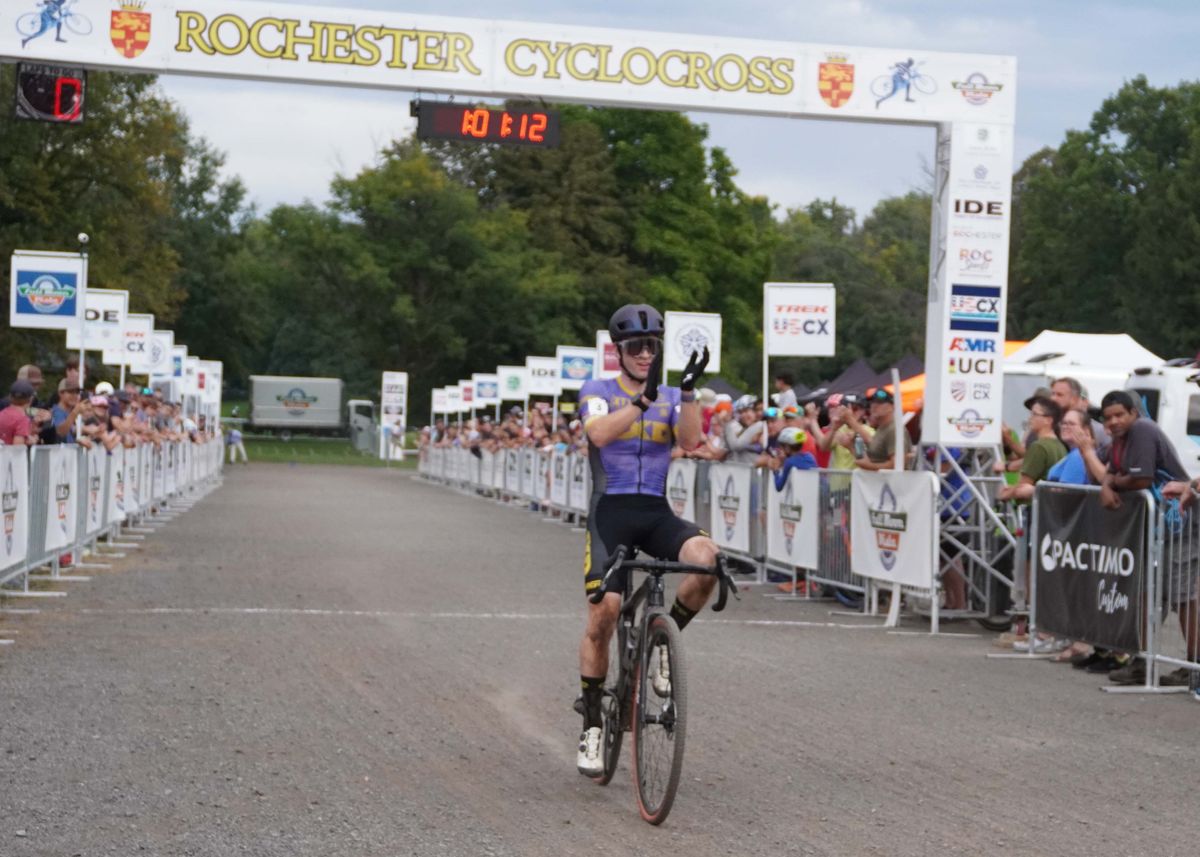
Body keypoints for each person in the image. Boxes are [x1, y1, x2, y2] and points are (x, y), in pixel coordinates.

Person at [573, 303, 720, 777]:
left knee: (707, 560)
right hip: (610, 512)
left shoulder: (673, 394)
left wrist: (690, 392)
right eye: (634, 346)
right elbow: (597, 435)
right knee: (606, 612)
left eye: (650, 345)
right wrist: (640, 402)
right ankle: (593, 723)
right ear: (618, 352)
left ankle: (662, 643)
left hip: (655, 510)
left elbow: (692, 440)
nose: (642, 352)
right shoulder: (597, 390)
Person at [1097, 391, 1197, 687]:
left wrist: (1112, 482)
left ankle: (1194, 664)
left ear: (1134, 413)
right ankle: (1143, 661)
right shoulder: (1120, 436)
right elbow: (1110, 469)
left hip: (1179, 523)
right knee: (1150, 594)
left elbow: (1141, 479)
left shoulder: (1142, 430)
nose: (1114, 421)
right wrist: (1106, 483)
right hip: (1155, 529)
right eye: (1108, 417)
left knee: (1182, 598)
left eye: (1119, 415)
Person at [846, 389, 910, 471]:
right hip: (880, 482)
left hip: (890, 483)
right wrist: (852, 446)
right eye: (872, 402)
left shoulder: (894, 430)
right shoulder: (882, 428)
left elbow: (897, 464)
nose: (874, 405)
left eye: (880, 403)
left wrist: (869, 466)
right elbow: (874, 449)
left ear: (892, 407)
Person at [0, 381, 37, 446]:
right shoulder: (22, 420)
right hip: (8, 456)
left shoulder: (1, 414)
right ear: (31, 399)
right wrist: (30, 443)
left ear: (10, 397)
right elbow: (17, 449)